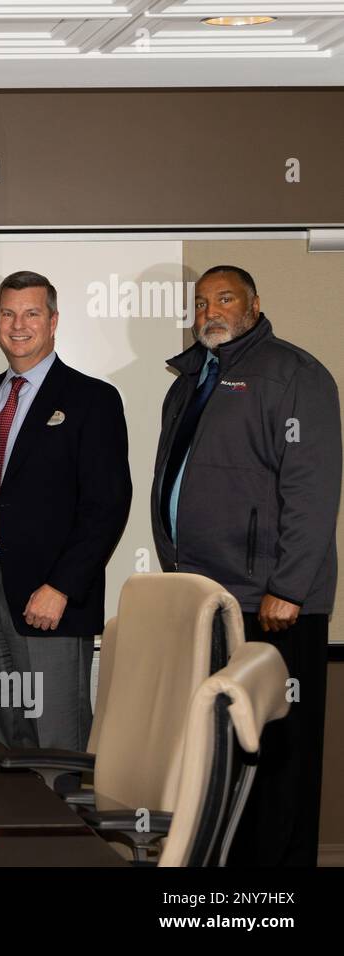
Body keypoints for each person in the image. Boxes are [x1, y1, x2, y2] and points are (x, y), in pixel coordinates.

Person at [150, 265, 340, 867]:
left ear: (255, 304)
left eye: (225, 298)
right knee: (224, 763)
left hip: (273, 606)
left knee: (280, 761)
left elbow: (312, 491)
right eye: (202, 301)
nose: (212, 310)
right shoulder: (190, 380)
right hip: (210, 600)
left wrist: (287, 586)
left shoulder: (294, 374)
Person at [0, 271, 131, 751]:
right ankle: (13, 828)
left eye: (31, 313)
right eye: (7, 314)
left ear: (53, 322)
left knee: (56, 739)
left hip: (50, 595)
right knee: (3, 734)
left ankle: (70, 827)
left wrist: (61, 587)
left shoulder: (91, 399)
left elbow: (107, 505)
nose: (18, 325)